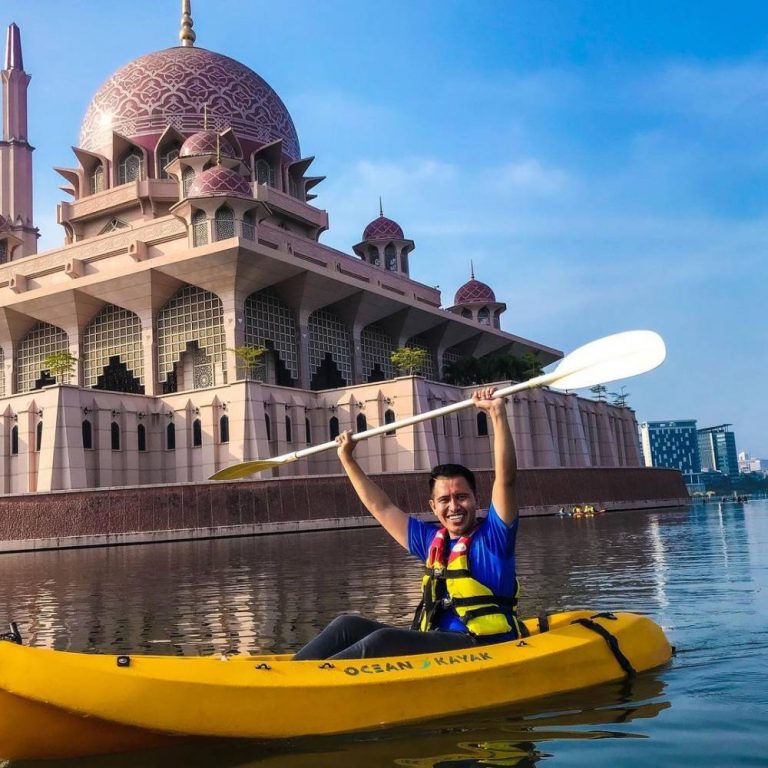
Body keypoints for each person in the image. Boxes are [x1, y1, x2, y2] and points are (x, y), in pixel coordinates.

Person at [293, 386, 523, 661]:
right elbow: (382, 507)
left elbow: (506, 479)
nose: (453, 507)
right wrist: (347, 458)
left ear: (475, 500)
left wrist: (497, 413)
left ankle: (314, 684)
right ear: (432, 507)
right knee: (346, 625)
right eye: (444, 500)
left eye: (462, 497)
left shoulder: (495, 538)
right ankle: (294, 675)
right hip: (436, 642)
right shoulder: (430, 542)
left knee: (383, 640)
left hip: (482, 645)